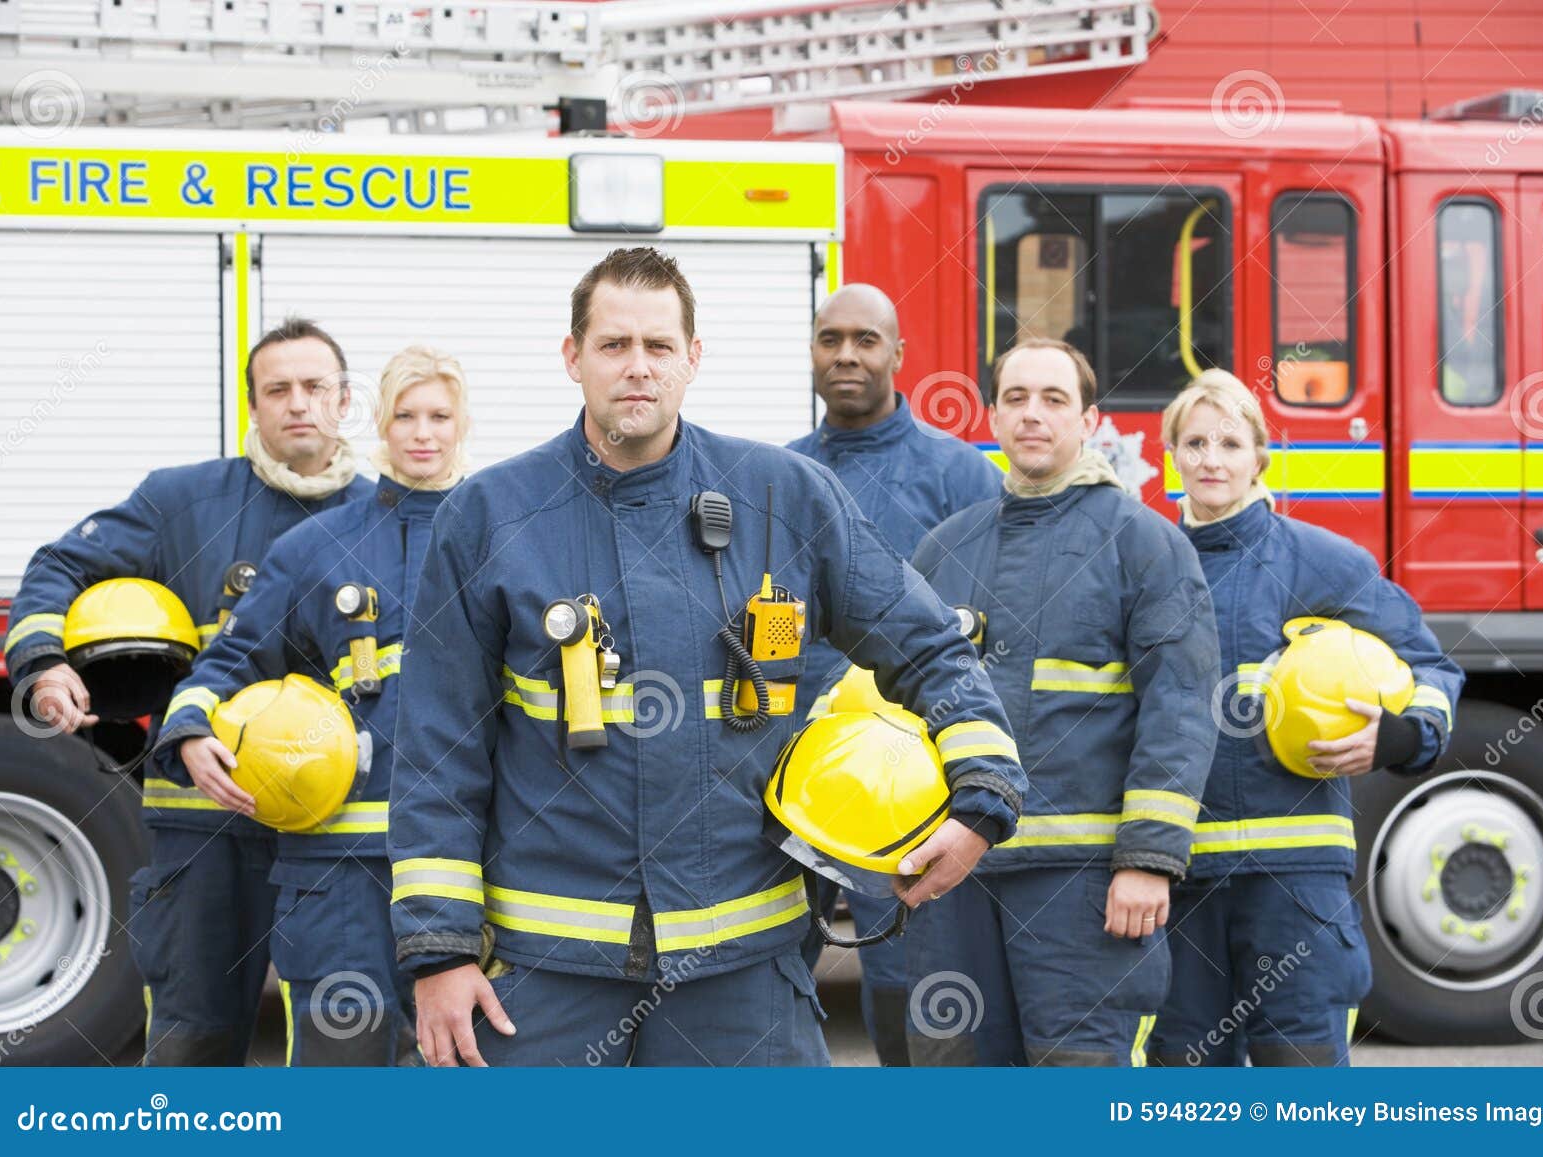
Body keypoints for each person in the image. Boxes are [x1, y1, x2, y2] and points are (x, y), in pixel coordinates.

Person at [387, 246, 1026, 1067]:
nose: (637, 368)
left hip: (744, 976)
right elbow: (438, 750)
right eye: (614, 345)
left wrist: (982, 797)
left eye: (659, 346)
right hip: (542, 975)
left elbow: (929, 643)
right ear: (572, 357)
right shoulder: (488, 517)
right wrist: (439, 952)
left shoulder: (784, 497)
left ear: (693, 357)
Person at [2, 318, 371, 1065]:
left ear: (344, 400)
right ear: (253, 407)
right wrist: (44, 662)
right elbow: (58, 565)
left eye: (313, 387)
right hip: (204, 831)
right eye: (277, 390)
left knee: (345, 1041)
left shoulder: (388, 515)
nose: (297, 403)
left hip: (340, 827)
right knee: (192, 1033)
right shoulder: (180, 502)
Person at [150, 346, 471, 1065]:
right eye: (405, 416)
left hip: (466, 868)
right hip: (338, 876)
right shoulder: (315, 546)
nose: (422, 433)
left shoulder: (504, 536)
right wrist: (192, 728)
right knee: (340, 1075)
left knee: (454, 1078)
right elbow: (229, 659)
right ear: (376, 423)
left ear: (462, 425)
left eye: (439, 416)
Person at [906, 337, 1220, 1066]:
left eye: (1053, 399)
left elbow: (1180, 705)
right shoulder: (945, 548)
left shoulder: (1143, 541)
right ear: (991, 415)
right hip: (957, 876)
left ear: (1089, 419)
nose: (1033, 415)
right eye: (1016, 398)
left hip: (1081, 884)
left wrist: (1148, 858)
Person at [1147, 369, 1462, 1067]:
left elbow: (1431, 667)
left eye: (1230, 442)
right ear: (1171, 454)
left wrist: (1403, 733)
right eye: (1194, 442)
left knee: (1304, 1081)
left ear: (1260, 458)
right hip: (1179, 876)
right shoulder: (1147, 563)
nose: (1211, 458)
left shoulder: (1322, 560)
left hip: (1294, 881)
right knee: (1181, 1087)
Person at [786, 283, 1002, 1065]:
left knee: (905, 986)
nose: (846, 354)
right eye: (830, 338)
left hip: (909, 779)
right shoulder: (776, 475)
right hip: (791, 775)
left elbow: (987, 629)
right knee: (768, 975)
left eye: (866, 340)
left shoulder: (962, 476)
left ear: (898, 355)